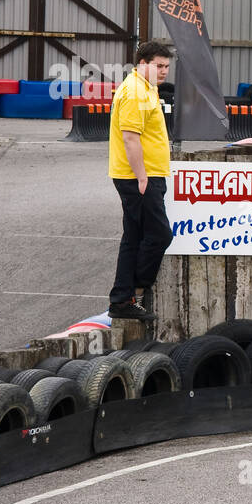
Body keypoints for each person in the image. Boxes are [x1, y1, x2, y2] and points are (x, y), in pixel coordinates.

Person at [107, 40, 175, 321]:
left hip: (145, 175)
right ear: (142, 63)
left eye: (167, 67)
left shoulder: (146, 88)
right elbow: (130, 138)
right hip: (140, 177)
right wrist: (143, 178)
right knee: (160, 235)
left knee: (134, 237)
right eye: (158, 66)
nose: (163, 72)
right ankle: (136, 288)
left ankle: (123, 299)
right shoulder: (135, 92)